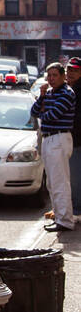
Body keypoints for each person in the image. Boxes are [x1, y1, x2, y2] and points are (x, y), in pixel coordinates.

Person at [31, 63, 76, 232]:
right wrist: (42, 98)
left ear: (63, 76)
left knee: (60, 182)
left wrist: (43, 112)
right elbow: (34, 112)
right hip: (49, 138)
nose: (51, 78)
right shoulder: (49, 93)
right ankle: (59, 217)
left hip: (59, 138)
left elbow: (52, 116)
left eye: (54, 75)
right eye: (49, 75)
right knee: (51, 182)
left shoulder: (67, 93)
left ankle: (65, 220)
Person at [67, 57, 81, 214]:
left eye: (75, 70)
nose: (71, 73)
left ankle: (77, 210)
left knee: (76, 178)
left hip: (76, 141)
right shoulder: (69, 88)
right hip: (71, 140)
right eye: (69, 69)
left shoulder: (77, 91)